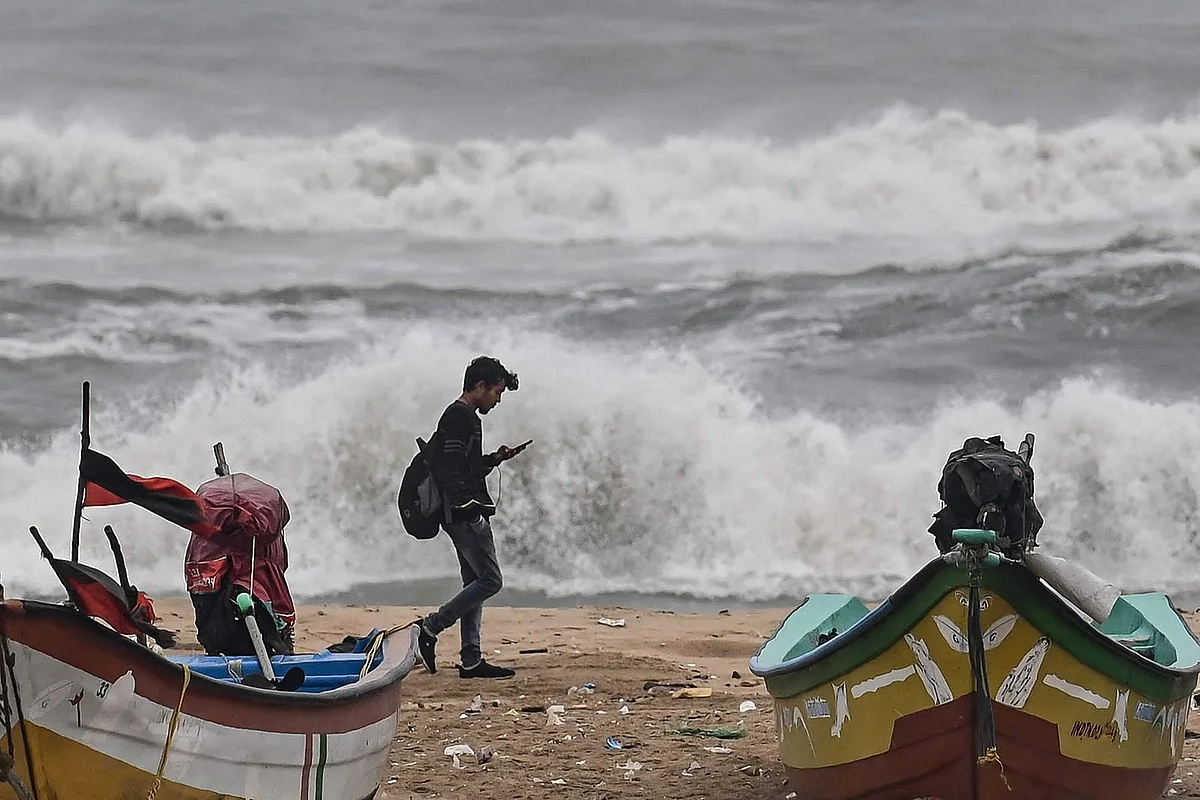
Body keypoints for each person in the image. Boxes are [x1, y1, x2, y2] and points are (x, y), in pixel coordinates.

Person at [418, 355, 529, 679]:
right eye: (496, 392)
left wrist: (494, 458)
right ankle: (430, 627)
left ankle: (471, 659)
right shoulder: (459, 416)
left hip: (462, 511)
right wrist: (467, 508)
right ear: (480, 386)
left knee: (474, 582)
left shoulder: (463, 417)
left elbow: (463, 466)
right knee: (491, 581)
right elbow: (448, 469)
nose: (497, 400)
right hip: (464, 514)